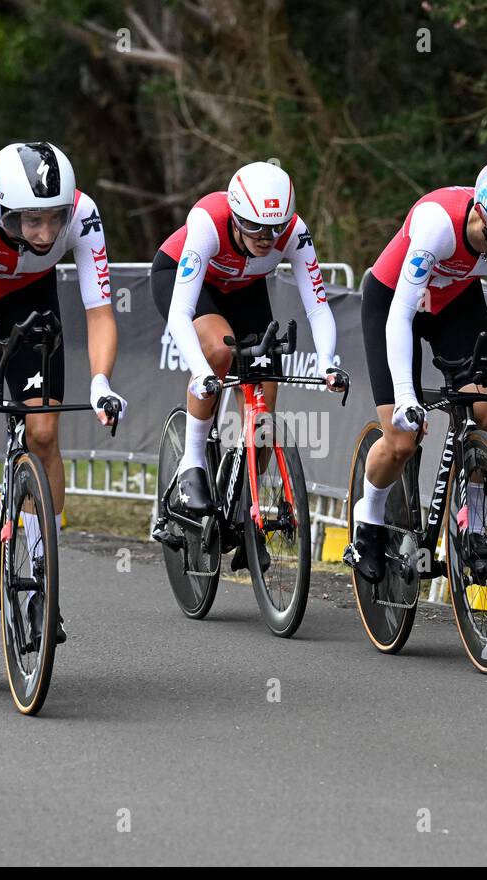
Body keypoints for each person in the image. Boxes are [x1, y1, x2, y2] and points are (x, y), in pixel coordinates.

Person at [0, 142, 124, 640]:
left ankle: (37, 582)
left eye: (54, 219)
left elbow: (99, 313)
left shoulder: (85, 214)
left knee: (44, 431)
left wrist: (100, 382)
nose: (45, 232)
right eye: (29, 221)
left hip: (29, 292)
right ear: (5, 209)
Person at [343, 156, 487, 583]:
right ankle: (366, 517)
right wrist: (406, 396)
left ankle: (474, 521)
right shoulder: (437, 224)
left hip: (455, 303)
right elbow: (400, 316)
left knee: (486, 415)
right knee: (402, 440)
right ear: (482, 212)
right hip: (395, 302)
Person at [151, 161, 346, 572]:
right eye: (255, 227)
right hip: (188, 282)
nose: (267, 238)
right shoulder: (208, 221)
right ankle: (191, 464)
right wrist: (202, 370)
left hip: (244, 289)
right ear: (236, 217)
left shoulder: (293, 232)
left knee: (263, 409)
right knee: (220, 352)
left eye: (276, 228)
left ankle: (246, 505)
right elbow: (180, 313)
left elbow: (318, 306)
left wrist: (329, 362)